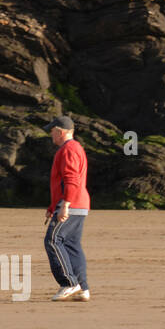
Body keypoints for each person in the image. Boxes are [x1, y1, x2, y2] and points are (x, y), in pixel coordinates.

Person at [43, 115, 91, 301]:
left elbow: (71, 179)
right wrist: (53, 206)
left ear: (60, 132)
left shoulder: (68, 150)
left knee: (53, 240)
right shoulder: (74, 148)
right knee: (71, 246)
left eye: (52, 131)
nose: (51, 135)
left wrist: (65, 206)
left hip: (72, 204)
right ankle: (83, 288)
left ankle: (69, 283)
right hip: (78, 204)